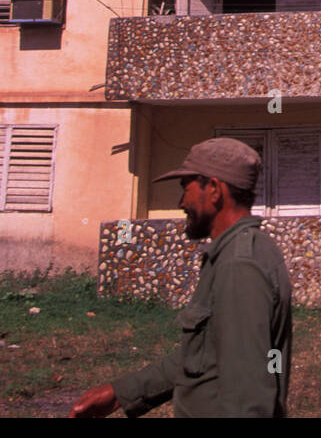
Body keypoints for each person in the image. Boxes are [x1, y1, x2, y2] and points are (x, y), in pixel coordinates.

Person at [70, 137, 292, 417]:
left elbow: (248, 393)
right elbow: (204, 355)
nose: (181, 202)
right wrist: (122, 393)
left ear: (213, 189)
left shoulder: (239, 265)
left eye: (185, 187)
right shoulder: (241, 251)